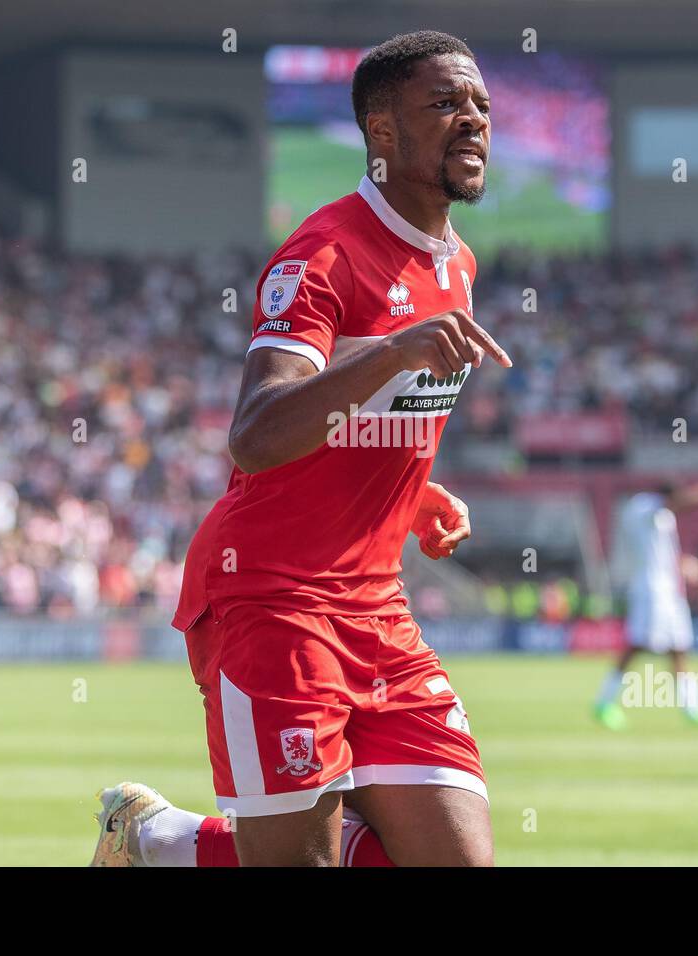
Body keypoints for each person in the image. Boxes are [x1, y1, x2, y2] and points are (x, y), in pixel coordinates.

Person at [91, 31, 509, 867]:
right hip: (273, 598)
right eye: (446, 105)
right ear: (382, 131)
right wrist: (394, 351)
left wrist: (417, 495)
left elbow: (361, 424)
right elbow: (257, 431)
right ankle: (158, 838)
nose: (473, 122)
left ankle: (164, 839)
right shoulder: (322, 254)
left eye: (481, 107)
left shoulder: (456, 264)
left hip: (377, 607)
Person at [594, 469, 698, 730]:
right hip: (651, 591)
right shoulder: (642, 506)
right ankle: (604, 701)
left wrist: (682, 565)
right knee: (637, 645)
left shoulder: (664, 517)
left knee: (679, 647)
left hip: (670, 591)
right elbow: (681, 504)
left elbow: (662, 551)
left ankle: (693, 707)